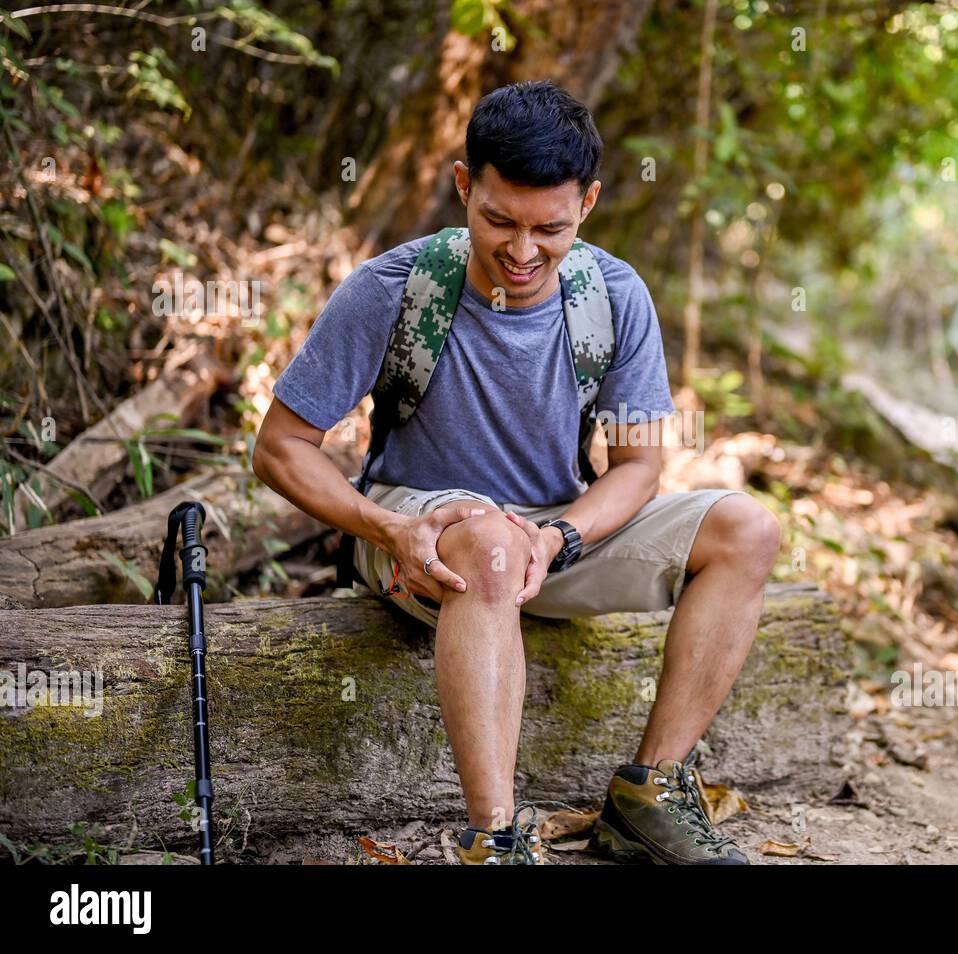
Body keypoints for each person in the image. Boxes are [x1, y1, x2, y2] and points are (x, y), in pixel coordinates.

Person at [252, 79, 781, 865]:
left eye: (550, 228)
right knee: (490, 543)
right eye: (500, 220)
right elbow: (279, 447)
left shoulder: (614, 296)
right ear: (464, 186)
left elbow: (640, 466)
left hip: (547, 540)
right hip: (419, 538)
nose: (523, 252)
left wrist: (559, 535)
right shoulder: (394, 289)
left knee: (747, 528)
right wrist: (387, 528)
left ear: (588, 204)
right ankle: (494, 840)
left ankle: (651, 794)